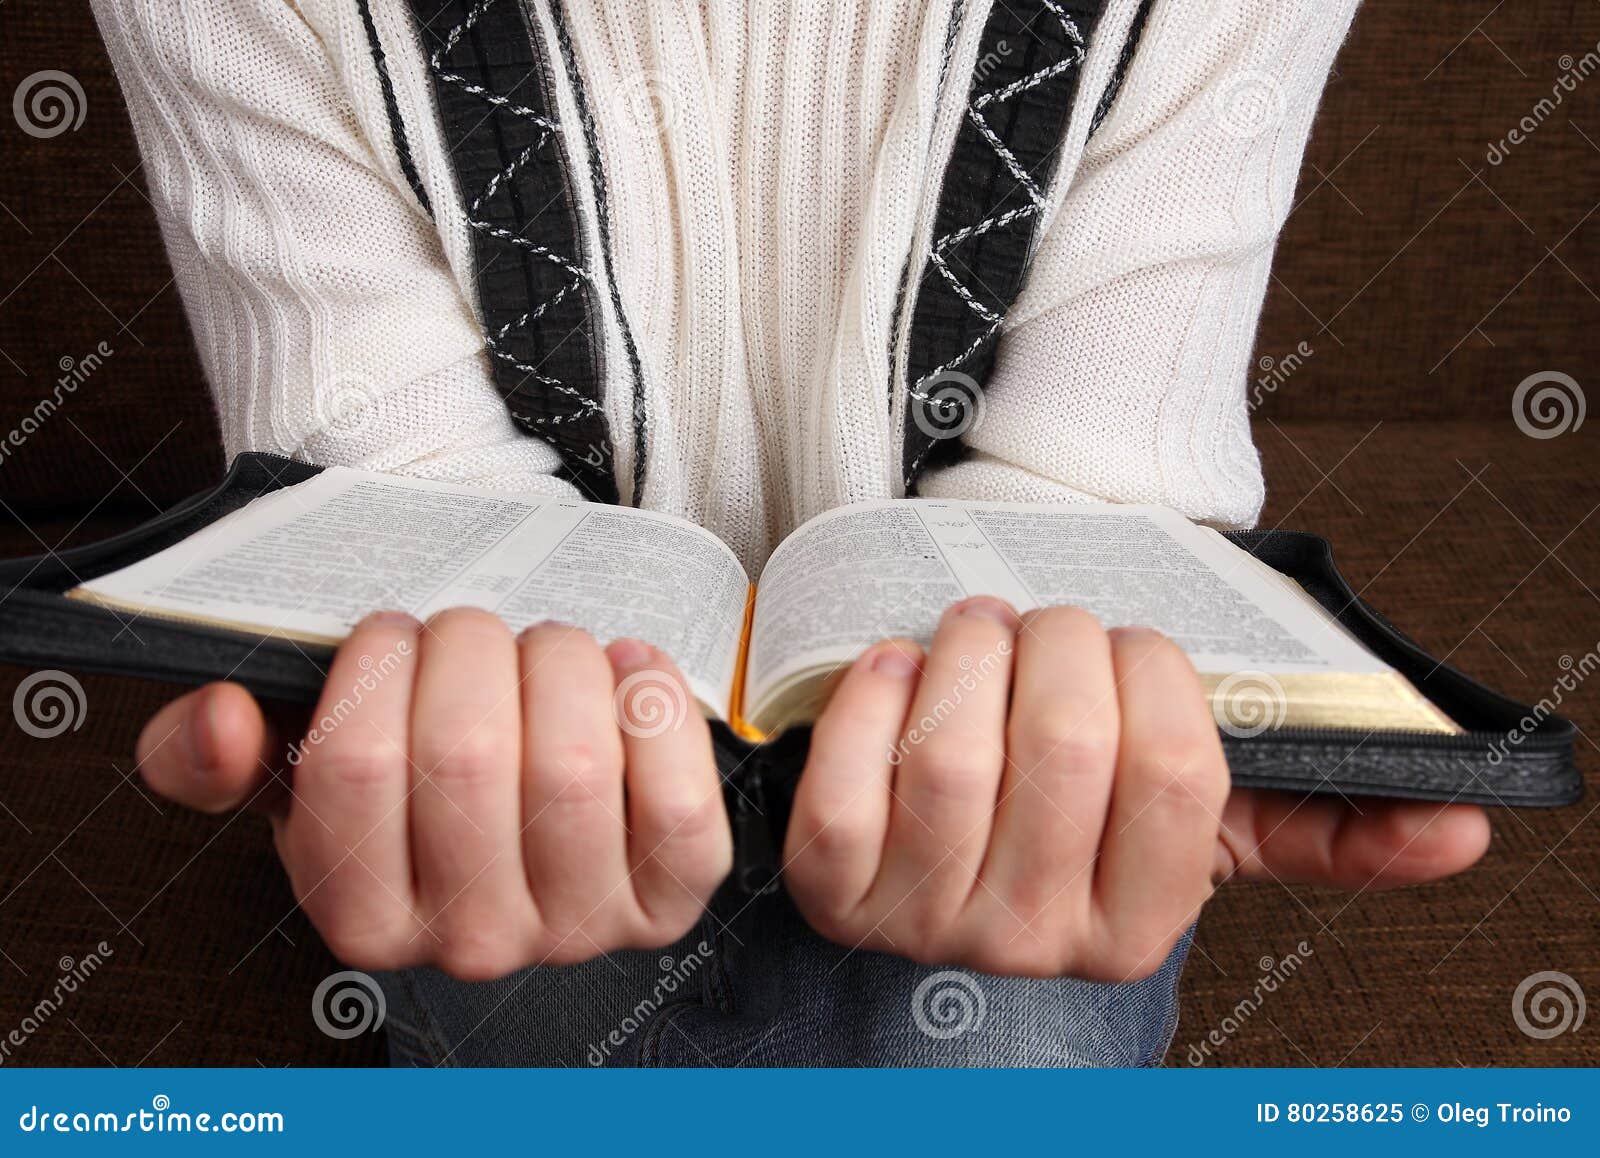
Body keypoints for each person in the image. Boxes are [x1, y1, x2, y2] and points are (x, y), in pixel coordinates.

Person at [91, 0, 1488, 1066]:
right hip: (510, 704)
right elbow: (415, 516)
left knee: (981, 1015)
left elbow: (1082, 504)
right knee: (526, 863)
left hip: (991, 687)